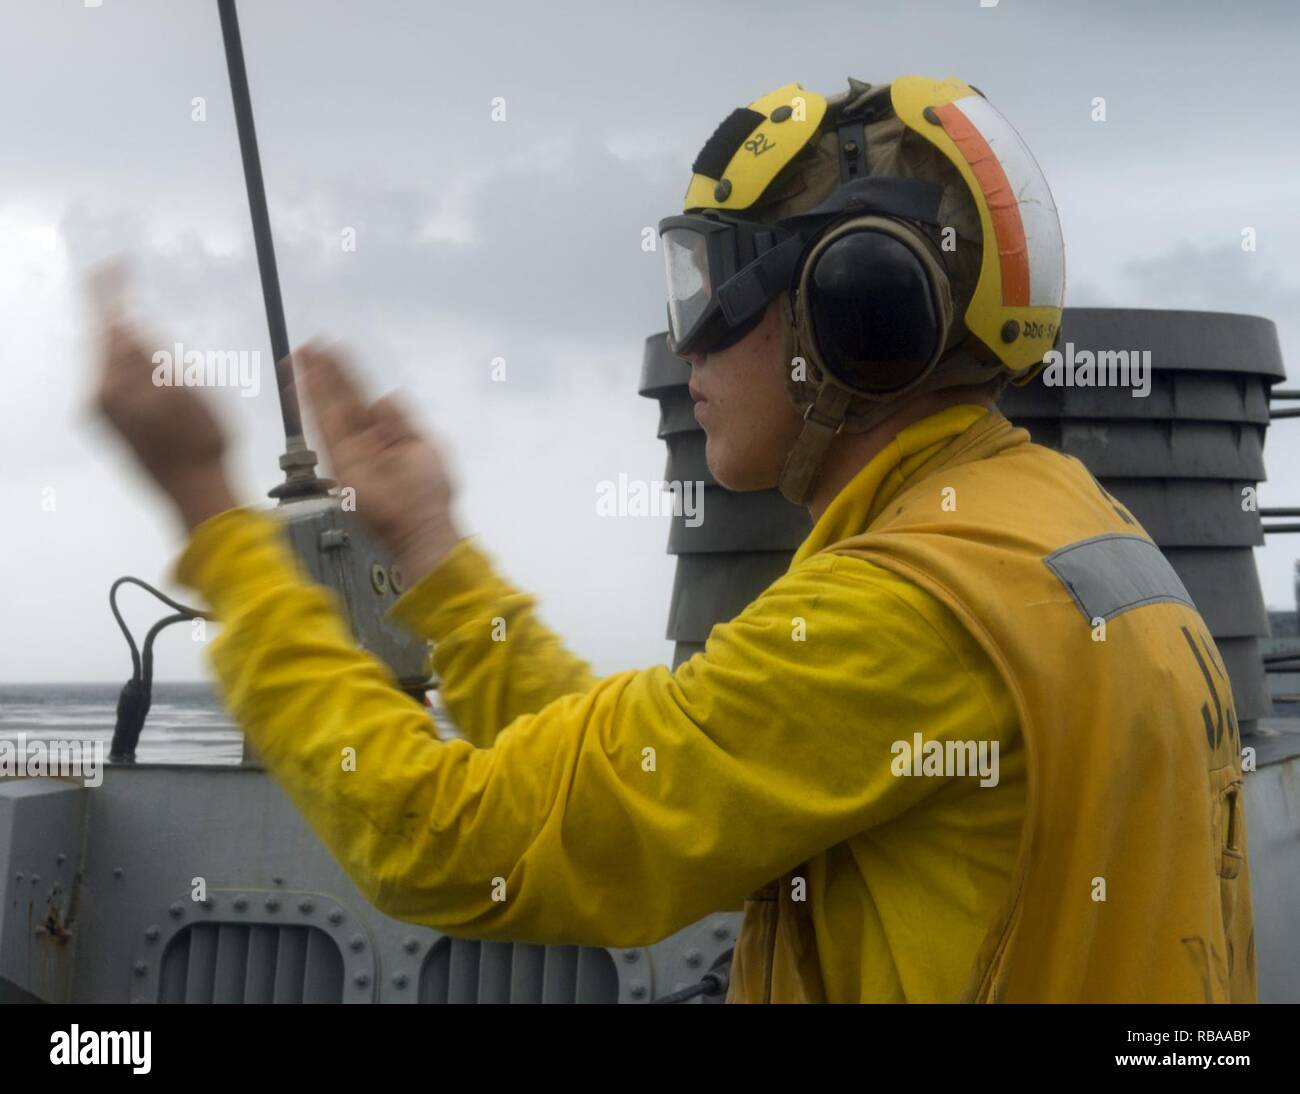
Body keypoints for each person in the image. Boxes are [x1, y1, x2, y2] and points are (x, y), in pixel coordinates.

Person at [93, 75, 1255, 1003]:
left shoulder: (905, 614)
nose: (682, 344)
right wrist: (434, 551)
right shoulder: (1054, 528)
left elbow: (453, 837)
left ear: (850, 313)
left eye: (709, 285)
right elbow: (644, 773)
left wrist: (211, 512)